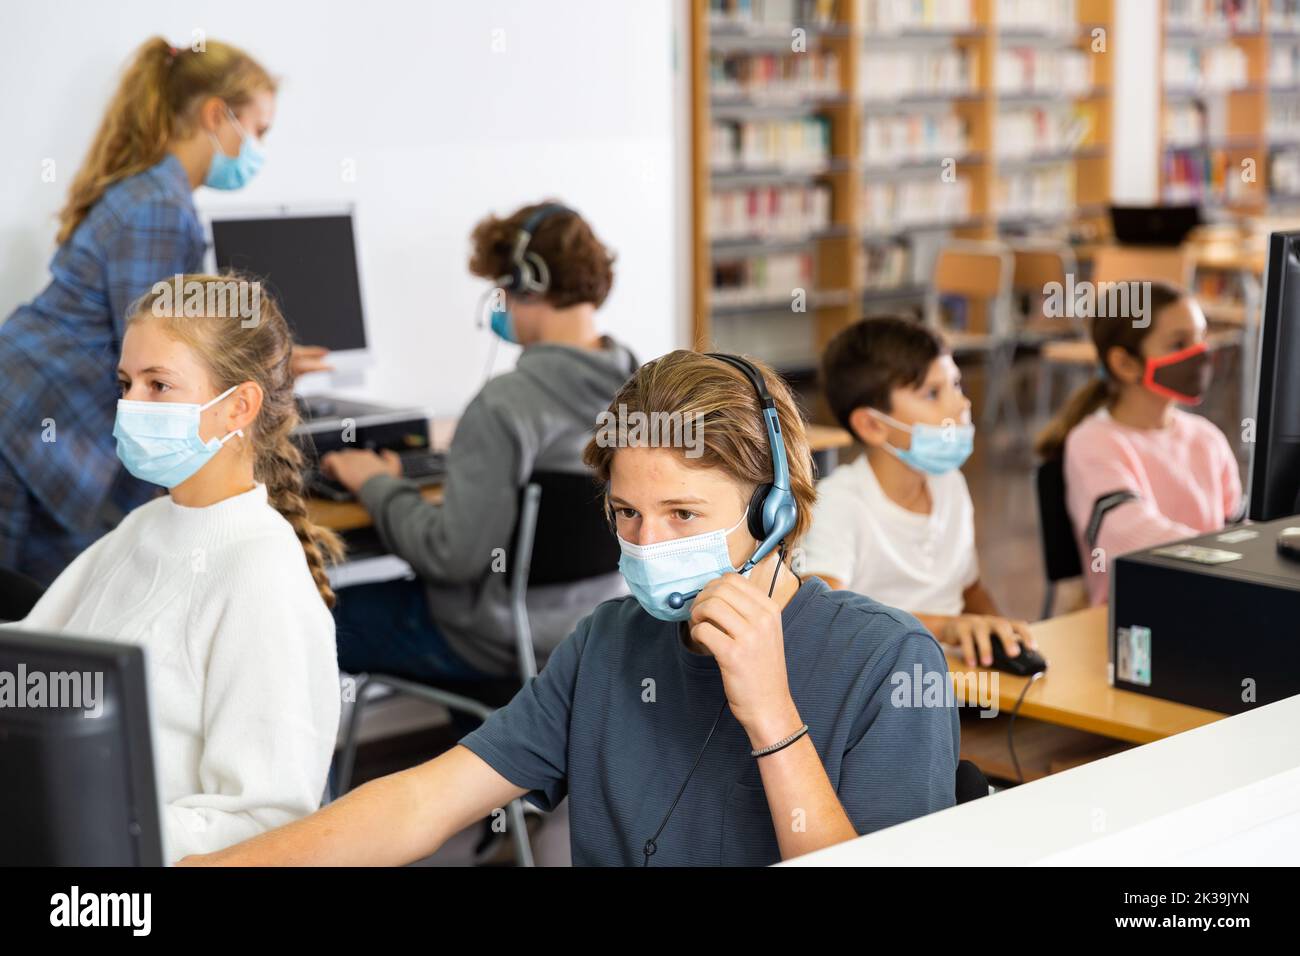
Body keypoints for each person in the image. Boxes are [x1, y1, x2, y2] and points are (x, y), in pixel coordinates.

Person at [181, 350, 959, 867]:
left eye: (683, 515)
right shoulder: (611, 644)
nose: (647, 545)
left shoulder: (888, 664)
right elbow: (423, 801)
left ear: (776, 514)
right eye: (626, 514)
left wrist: (772, 717)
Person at [5, 276, 341, 863]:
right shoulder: (147, 527)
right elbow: (33, 659)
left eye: (159, 385)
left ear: (238, 405)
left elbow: (266, 823)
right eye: (126, 383)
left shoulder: (260, 575)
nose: (131, 405)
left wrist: (95, 825)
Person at [0, 36, 327, 585]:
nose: (260, 148)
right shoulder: (157, 208)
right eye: (259, 129)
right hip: (33, 432)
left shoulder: (156, 193)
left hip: (32, 418)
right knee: (38, 630)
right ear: (215, 115)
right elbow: (163, 363)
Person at [320, 202, 636, 681]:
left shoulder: (503, 407)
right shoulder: (647, 394)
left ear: (527, 283)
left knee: (311, 617)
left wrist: (378, 485)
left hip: (494, 641)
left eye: (502, 289)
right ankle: (495, 743)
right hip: (598, 633)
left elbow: (451, 557)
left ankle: (489, 738)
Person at [802, 317, 1035, 667]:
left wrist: (1001, 637)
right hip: (883, 688)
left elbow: (969, 589)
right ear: (872, 425)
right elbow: (824, 617)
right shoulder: (840, 503)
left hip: (953, 677)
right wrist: (945, 628)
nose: (960, 405)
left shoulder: (950, 485)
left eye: (956, 384)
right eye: (932, 393)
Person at [1036, 280, 1242, 605]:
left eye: (1202, 338)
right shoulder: (1093, 442)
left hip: (1210, 605)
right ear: (1125, 363)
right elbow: (1127, 536)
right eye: (1179, 344)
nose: (1200, 354)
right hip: (1136, 623)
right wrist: (1229, 553)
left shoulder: (1207, 438)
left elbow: (1244, 530)